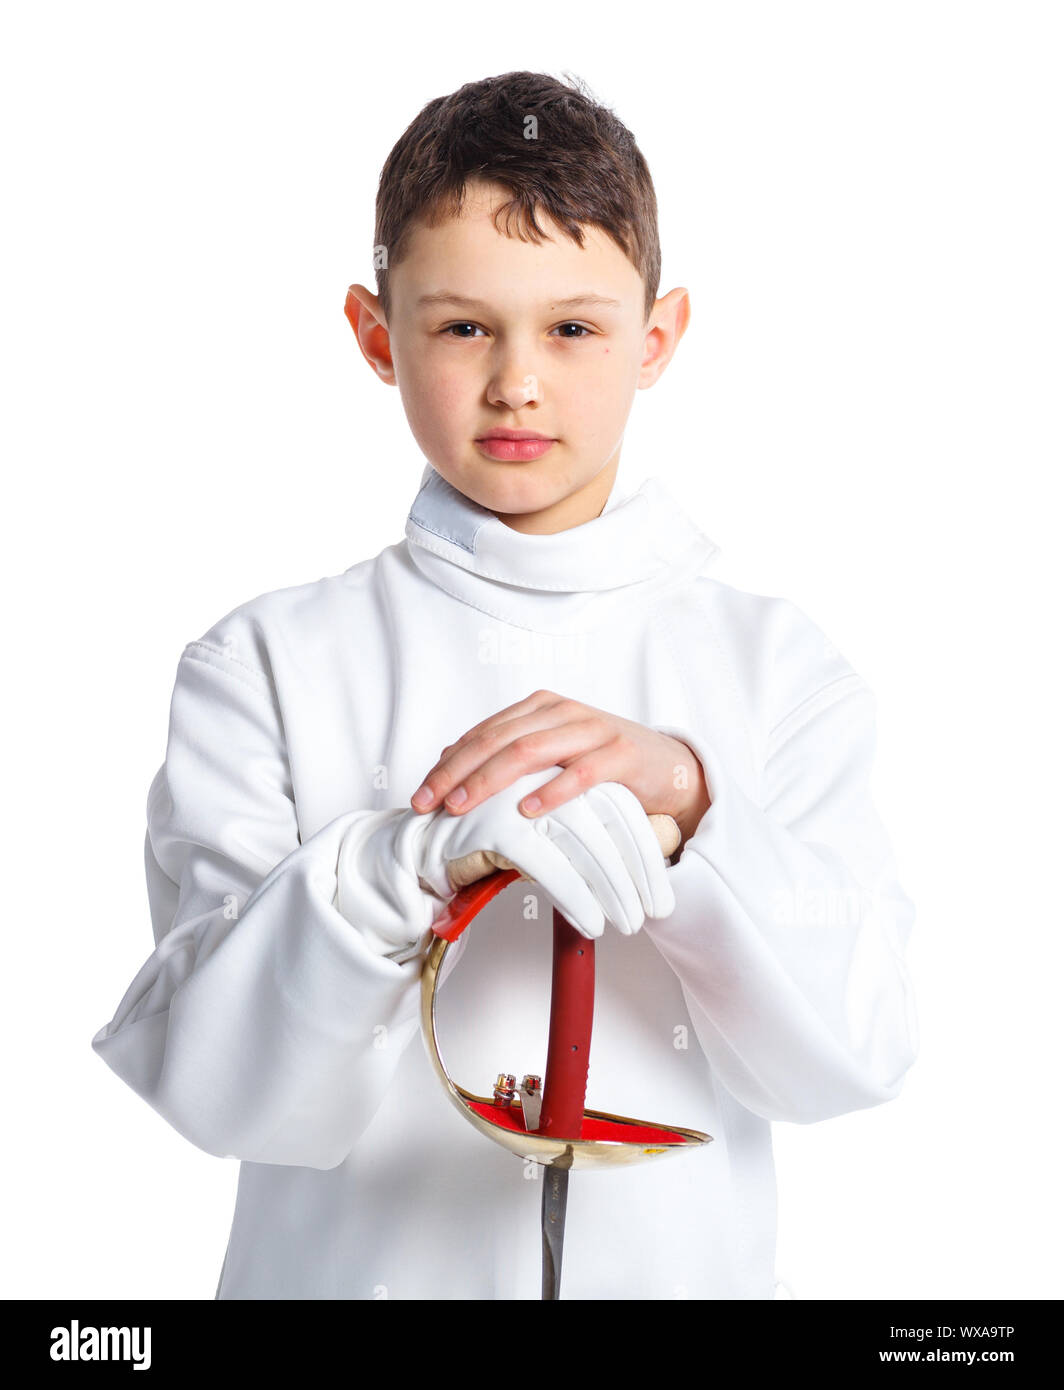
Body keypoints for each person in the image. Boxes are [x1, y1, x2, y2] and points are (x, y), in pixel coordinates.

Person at [91, 70, 918, 1300]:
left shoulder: (778, 674)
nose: (517, 382)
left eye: (574, 328)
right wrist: (396, 867)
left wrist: (695, 816)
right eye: (463, 326)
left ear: (658, 337)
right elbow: (219, 1091)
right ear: (377, 335)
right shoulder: (263, 666)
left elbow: (853, 1057)